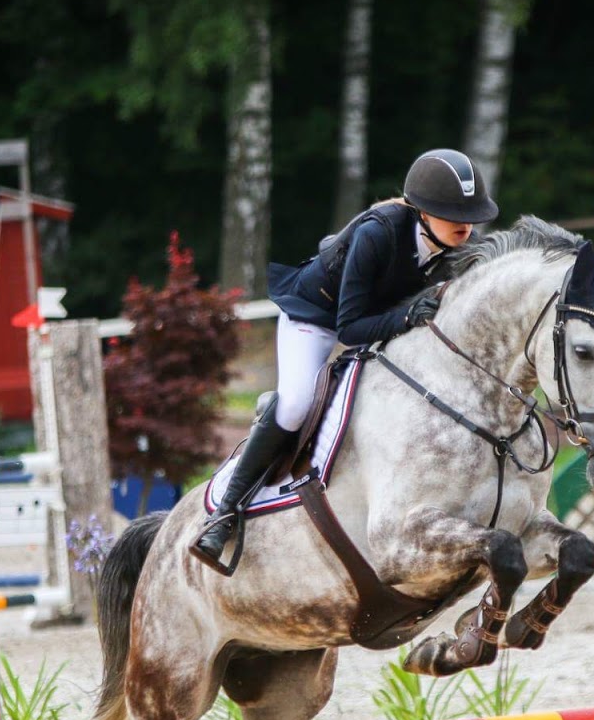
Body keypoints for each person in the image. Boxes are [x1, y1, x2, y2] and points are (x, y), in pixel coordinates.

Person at [190, 148, 499, 574]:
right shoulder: (377, 234)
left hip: (379, 320)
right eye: (453, 213)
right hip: (317, 318)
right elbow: (350, 327)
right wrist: (407, 316)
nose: (465, 224)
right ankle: (225, 512)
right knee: (297, 402)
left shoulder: (459, 247)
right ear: (423, 212)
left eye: (471, 213)